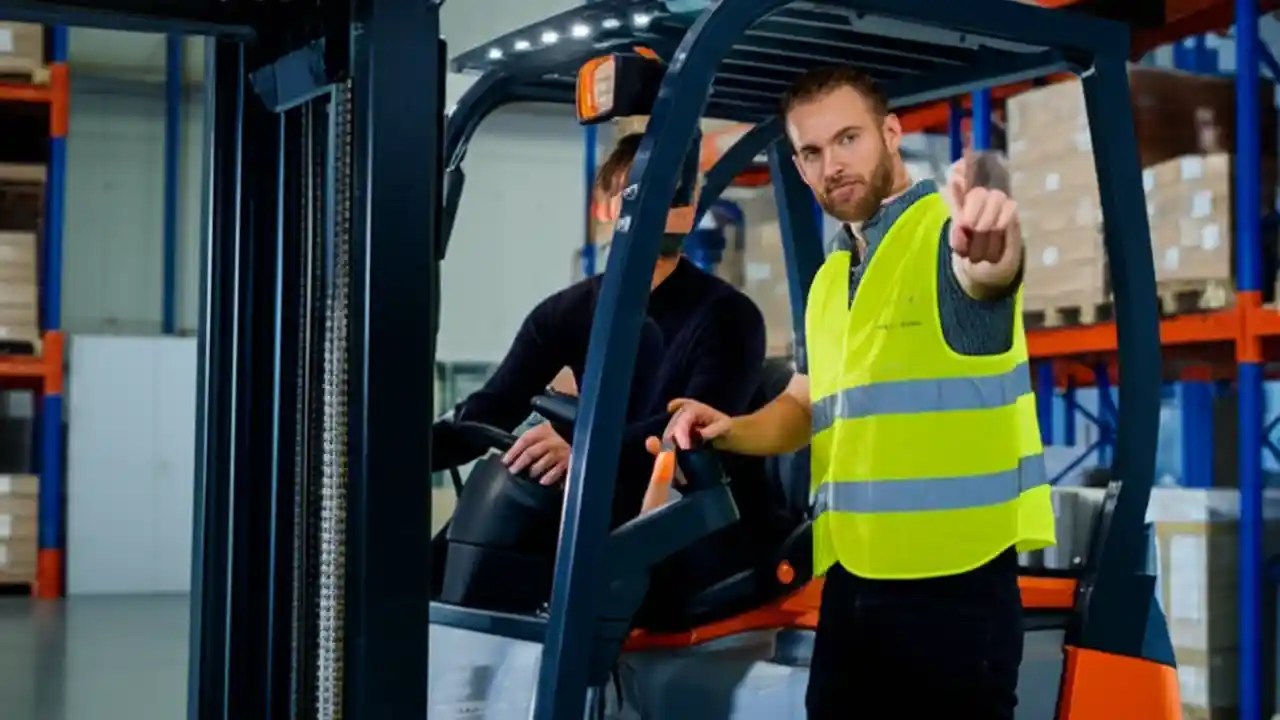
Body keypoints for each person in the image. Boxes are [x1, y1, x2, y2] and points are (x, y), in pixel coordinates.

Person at [661, 66, 1056, 718]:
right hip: (854, 581)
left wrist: (992, 251)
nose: (832, 165)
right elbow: (802, 407)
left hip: (953, 591)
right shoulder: (831, 279)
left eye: (848, 139)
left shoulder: (942, 237)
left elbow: (985, 275)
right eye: (813, 152)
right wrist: (727, 427)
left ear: (891, 133)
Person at [432, 132, 793, 615]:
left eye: (671, 196)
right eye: (633, 194)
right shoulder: (565, 313)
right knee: (470, 529)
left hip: (693, 515)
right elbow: (490, 410)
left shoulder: (730, 316)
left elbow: (693, 429)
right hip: (603, 503)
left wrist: (584, 451)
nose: (652, 210)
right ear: (604, 207)